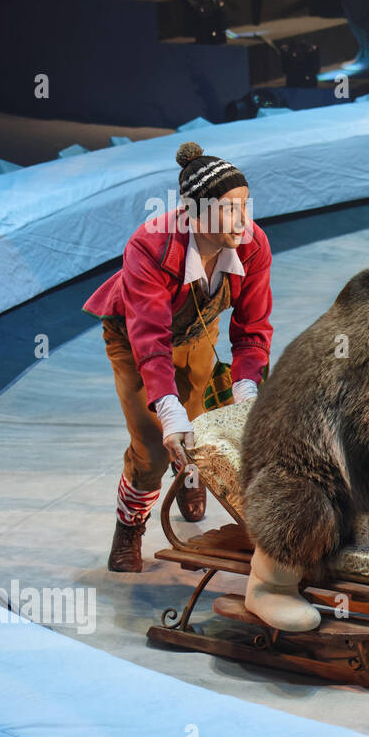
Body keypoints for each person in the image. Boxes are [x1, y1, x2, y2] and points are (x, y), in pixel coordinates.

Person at [84, 142, 274, 572]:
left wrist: (248, 391)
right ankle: (129, 525)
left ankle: (188, 476)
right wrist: (167, 412)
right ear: (194, 214)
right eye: (228, 209)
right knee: (154, 443)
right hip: (135, 341)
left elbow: (253, 329)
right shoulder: (149, 246)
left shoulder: (252, 243)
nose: (243, 220)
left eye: (245, 205)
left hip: (197, 332)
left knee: (201, 429)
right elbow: (149, 340)